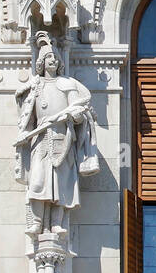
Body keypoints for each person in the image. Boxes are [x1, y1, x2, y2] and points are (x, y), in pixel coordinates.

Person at [15, 32, 99, 236]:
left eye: (54, 58)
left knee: (61, 183)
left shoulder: (67, 84)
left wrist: (73, 116)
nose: (52, 61)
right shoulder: (36, 86)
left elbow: (79, 112)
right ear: (41, 63)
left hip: (63, 137)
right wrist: (25, 131)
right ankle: (36, 222)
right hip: (40, 138)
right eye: (48, 58)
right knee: (38, 181)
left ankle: (56, 222)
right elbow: (27, 114)